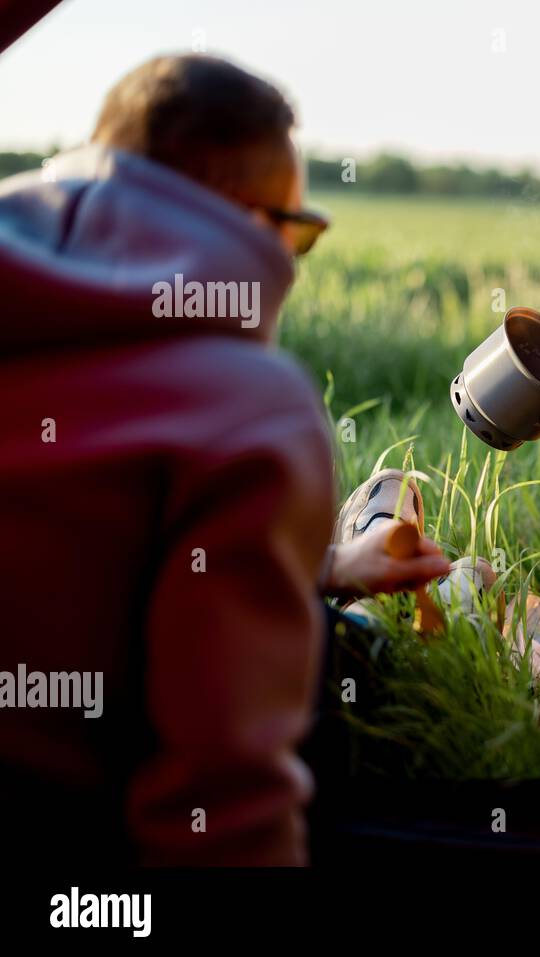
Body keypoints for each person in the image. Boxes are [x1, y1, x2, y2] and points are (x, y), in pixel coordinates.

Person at [0, 54, 452, 864]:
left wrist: (330, 564)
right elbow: (224, 801)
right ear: (255, 229)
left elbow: (76, 567)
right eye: (300, 232)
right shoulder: (247, 407)